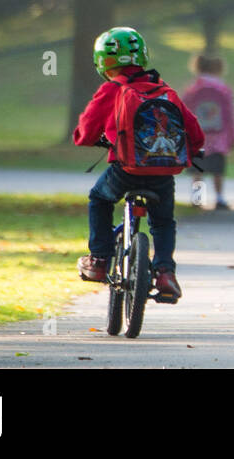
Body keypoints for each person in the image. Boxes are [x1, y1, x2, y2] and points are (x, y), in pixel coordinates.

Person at [73, 27, 205, 301]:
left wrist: (85, 139)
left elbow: (86, 130)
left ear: (102, 62)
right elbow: (194, 132)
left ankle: (98, 260)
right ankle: (166, 273)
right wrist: (193, 150)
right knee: (163, 221)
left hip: (127, 170)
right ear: (142, 56)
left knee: (99, 198)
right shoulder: (164, 90)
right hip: (163, 172)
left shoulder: (112, 88)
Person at [183, 55, 234, 210]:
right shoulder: (223, 90)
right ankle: (220, 198)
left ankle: (197, 198)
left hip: (198, 137)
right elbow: (229, 115)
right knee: (218, 170)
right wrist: (233, 136)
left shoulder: (192, 89)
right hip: (218, 137)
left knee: (198, 170)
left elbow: (185, 112)